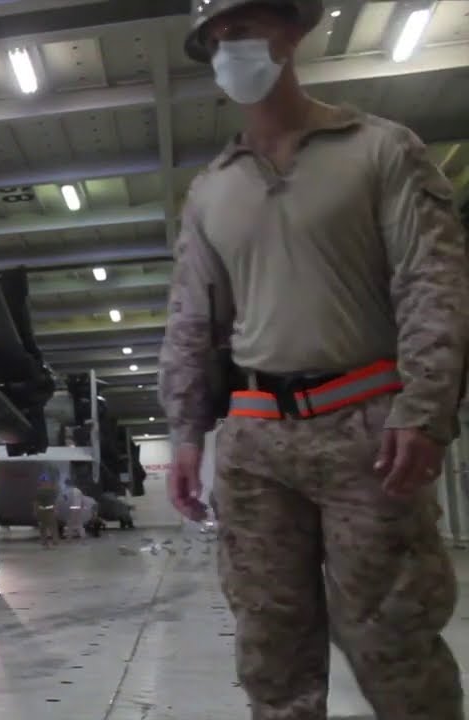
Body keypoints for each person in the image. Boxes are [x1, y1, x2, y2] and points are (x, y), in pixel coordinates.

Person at [159, 1, 467, 718]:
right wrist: (184, 432)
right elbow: (191, 319)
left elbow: (432, 281)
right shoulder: (212, 191)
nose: (229, 47)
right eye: (215, 38)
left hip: (368, 429)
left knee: (393, 638)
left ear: (293, 32)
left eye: (243, 28)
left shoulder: (380, 149)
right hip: (256, 441)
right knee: (272, 649)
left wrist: (425, 408)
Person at [34, 470, 58, 547]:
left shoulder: (39, 491)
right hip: (50, 510)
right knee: (52, 526)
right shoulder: (52, 490)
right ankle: (54, 540)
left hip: (42, 511)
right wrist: (55, 509)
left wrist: (35, 511)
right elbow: (55, 501)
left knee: (43, 527)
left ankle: (45, 542)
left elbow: (36, 503)